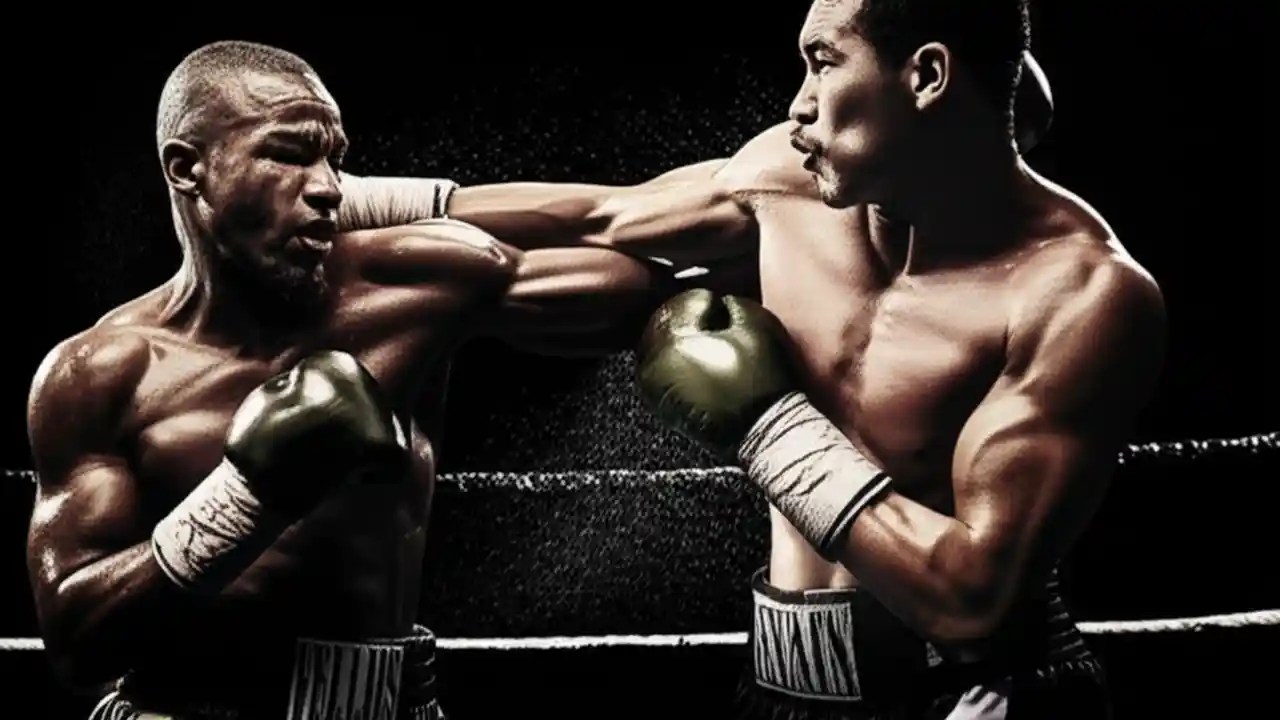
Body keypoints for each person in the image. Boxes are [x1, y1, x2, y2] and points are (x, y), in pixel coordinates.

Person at [345, 1, 1165, 717]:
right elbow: (603, 218)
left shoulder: (1081, 295)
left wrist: (767, 425)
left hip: (973, 697)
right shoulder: (790, 177)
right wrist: (332, 201)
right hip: (785, 686)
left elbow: (974, 599)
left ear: (926, 76)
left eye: (823, 63)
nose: (798, 104)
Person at [26, 40, 677, 720]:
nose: (329, 186)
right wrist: (244, 498)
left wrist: (781, 207)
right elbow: (75, 644)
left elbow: (650, 263)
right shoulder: (96, 373)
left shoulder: (403, 292)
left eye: (334, 158)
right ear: (188, 169)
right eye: (287, 154)